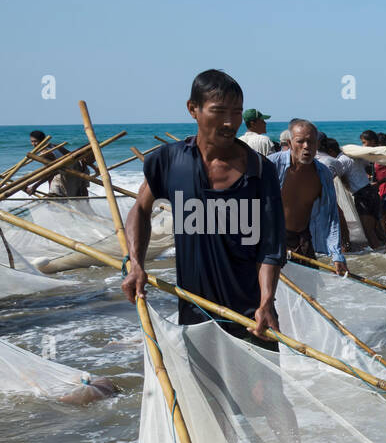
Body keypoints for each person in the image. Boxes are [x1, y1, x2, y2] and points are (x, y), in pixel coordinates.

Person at [122, 69, 285, 349]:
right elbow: (140, 209)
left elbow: (270, 248)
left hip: (252, 317)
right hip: (195, 315)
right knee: (204, 392)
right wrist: (136, 265)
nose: (229, 122)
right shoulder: (170, 162)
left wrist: (266, 301)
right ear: (192, 109)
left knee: (262, 394)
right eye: (219, 111)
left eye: (236, 112)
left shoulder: (260, 170)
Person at [268, 119, 345, 274]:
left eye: (311, 142)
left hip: (303, 240)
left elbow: (331, 216)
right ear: (289, 144)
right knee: (270, 293)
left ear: (317, 144)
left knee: (309, 293)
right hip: (272, 239)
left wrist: (337, 255)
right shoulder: (272, 165)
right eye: (300, 142)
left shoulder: (323, 174)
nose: (306, 147)